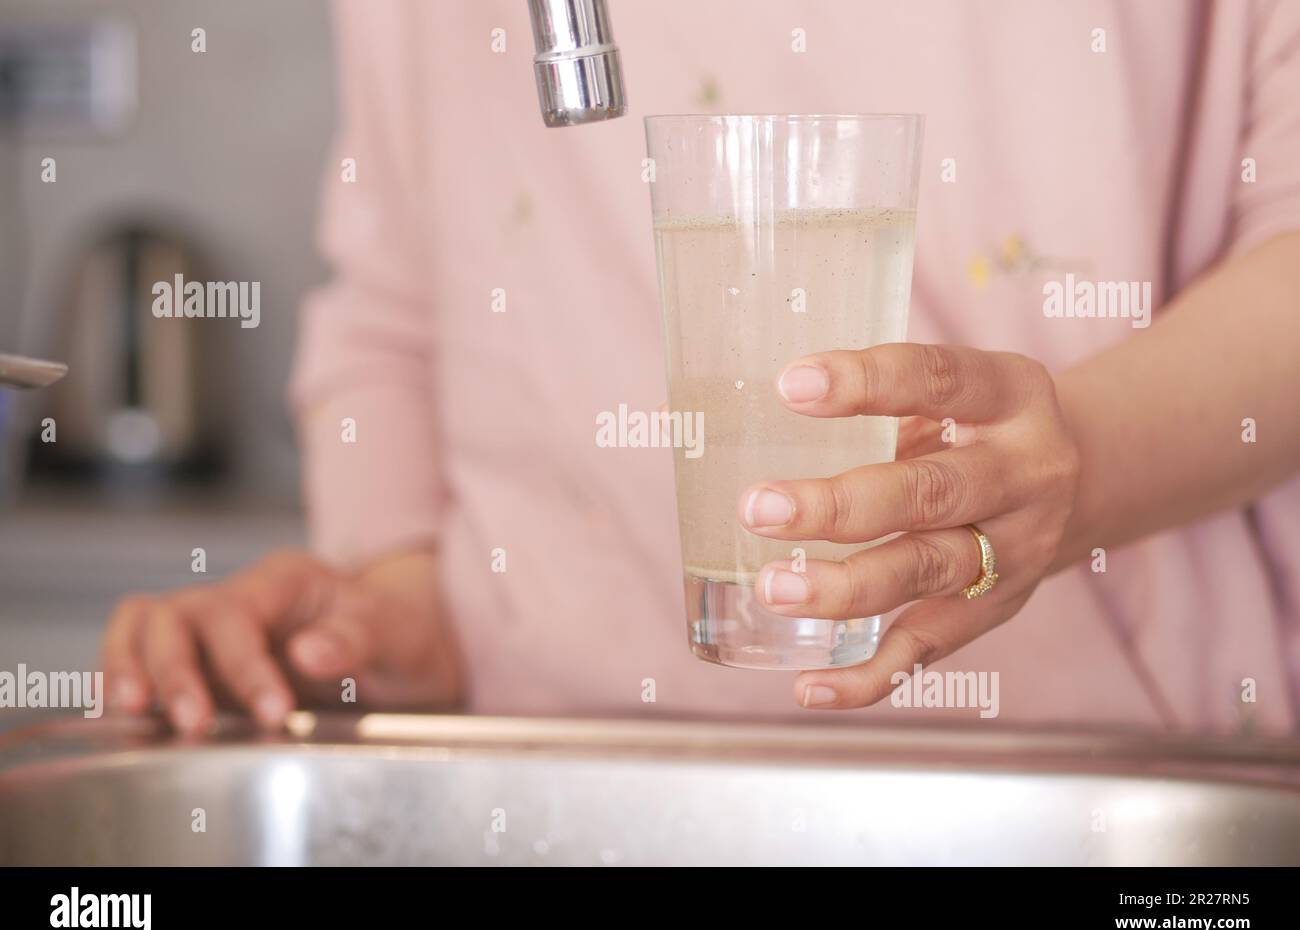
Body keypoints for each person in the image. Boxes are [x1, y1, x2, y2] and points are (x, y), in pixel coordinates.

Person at [101, 0, 1300, 735]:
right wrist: (404, 595)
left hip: (1092, 758)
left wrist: (1074, 466)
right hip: (553, 768)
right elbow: (402, 292)